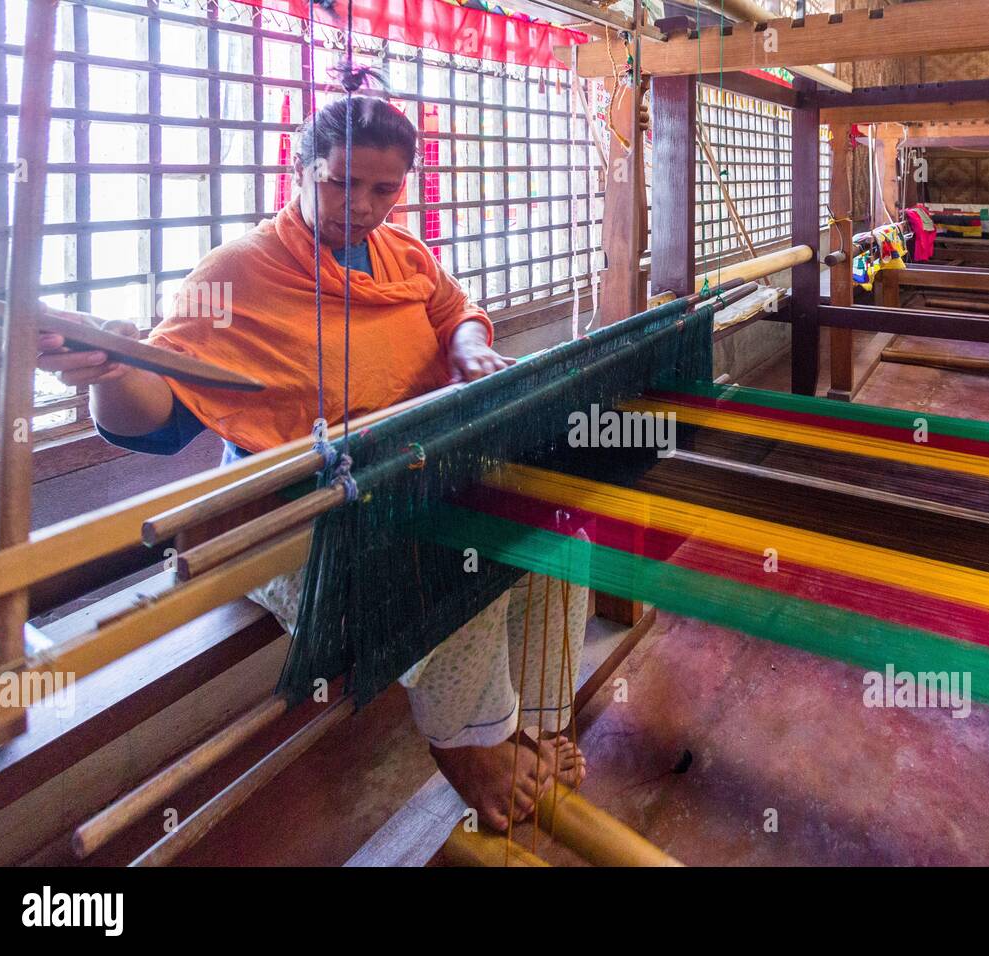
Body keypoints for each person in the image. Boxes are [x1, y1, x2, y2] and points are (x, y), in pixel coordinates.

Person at [35, 74, 586, 833]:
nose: (360, 207)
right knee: (461, 572)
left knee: (562, 536)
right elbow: (154, 418)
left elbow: (457, 311)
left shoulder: (404, 255)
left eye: (384, 190)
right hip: (296, 522)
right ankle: (473, 747)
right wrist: (112, 369)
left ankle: (534, 724)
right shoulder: (241, 271)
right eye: (340, 184)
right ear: (300, 170)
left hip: (406, 483)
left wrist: (466, 350)